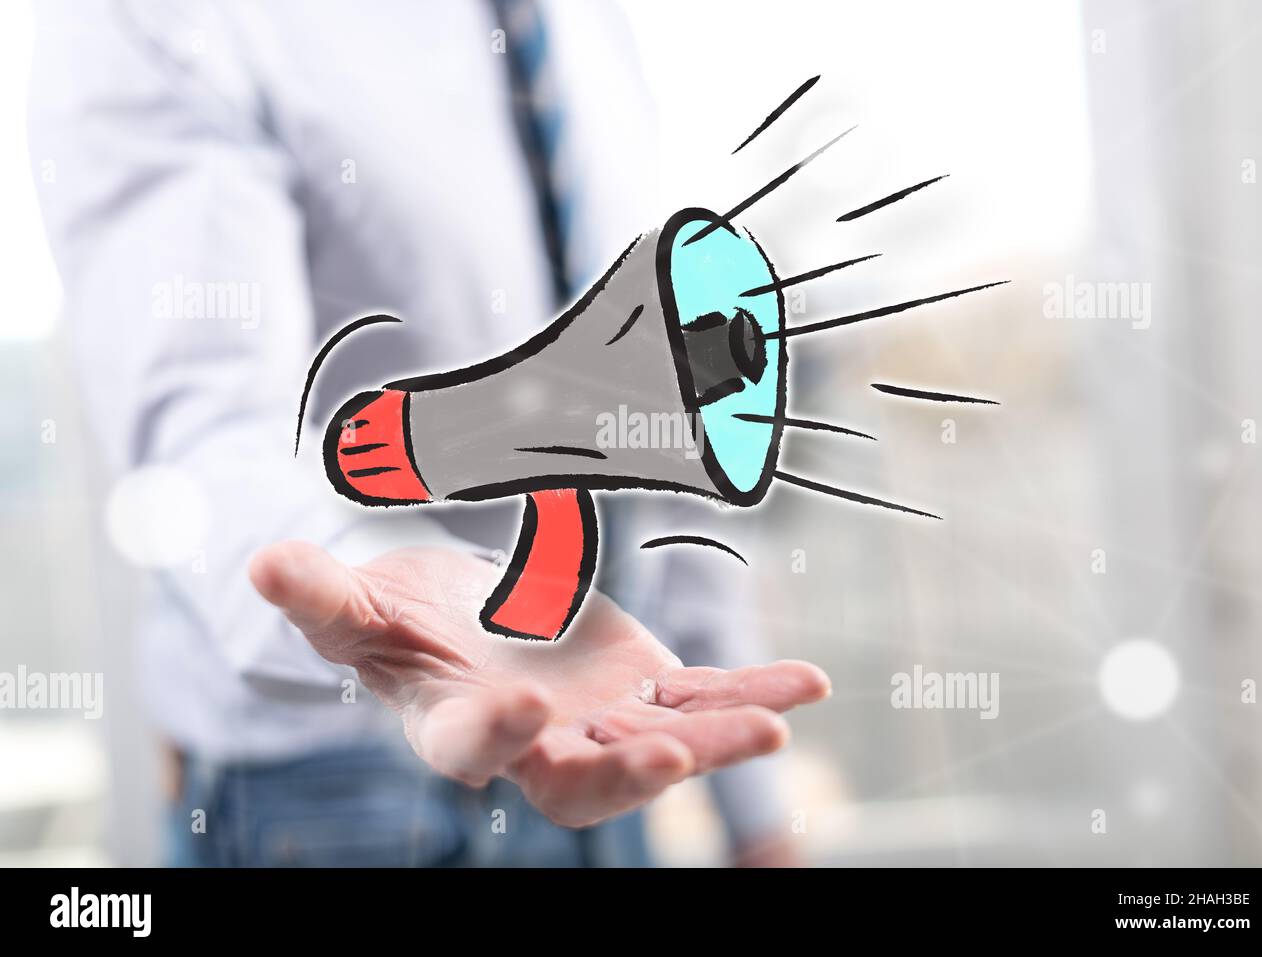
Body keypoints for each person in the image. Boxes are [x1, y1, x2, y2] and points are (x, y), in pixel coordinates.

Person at [29, 0, 828, 867]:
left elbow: (656, 413)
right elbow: (201, 418)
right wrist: (375, 586)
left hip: (610, 726)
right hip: (331, 793)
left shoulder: (586, 24)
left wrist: (754, 808)